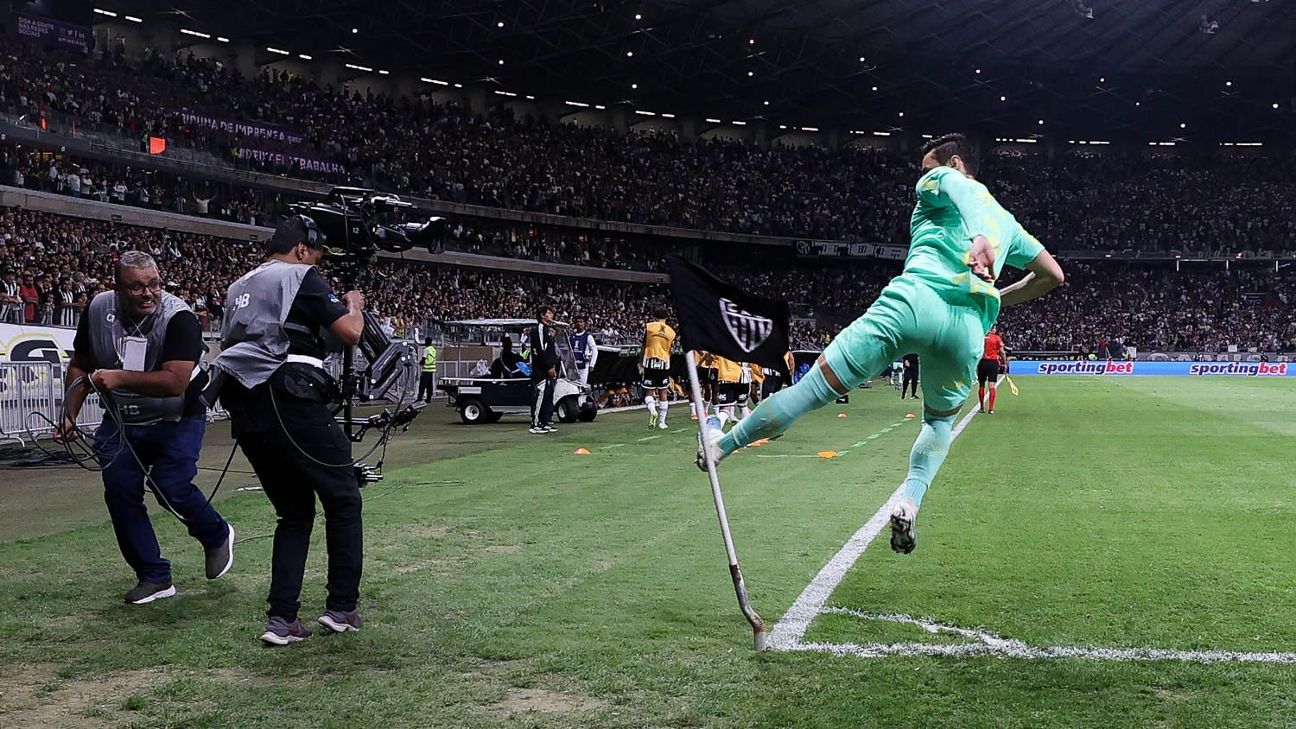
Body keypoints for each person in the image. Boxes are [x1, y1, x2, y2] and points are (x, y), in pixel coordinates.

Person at [697, 133, 1065, 555]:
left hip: (914, 302)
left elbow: (960, 187)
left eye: (929, 168)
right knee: (938, 423)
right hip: (966, 328)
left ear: (955, 163)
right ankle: (909, 501)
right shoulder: (1008, 223)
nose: (923, 177)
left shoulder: (942, 181)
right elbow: (1052, 275)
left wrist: (977, 235)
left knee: (811, 390)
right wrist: (997, 295)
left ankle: (721, 446)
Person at [212, 215, 367, 645]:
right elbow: (350, 332)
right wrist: (353, 303)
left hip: (245, 403)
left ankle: (282, 620)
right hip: (289, 395)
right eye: (316, 254)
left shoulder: (239, 286)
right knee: (343, 497)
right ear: (302, 249)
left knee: (295, 512)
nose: (317, 262)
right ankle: (342, 607)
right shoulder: (298, 275)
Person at [54, 251, 234, 605]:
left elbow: (175, 382)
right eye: (136, 287)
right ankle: (153, 576)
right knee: (120, 491)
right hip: (121, 418)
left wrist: (119, 377)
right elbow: (80, 364)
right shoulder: (97, 309)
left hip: (178, 415)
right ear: (117, 289)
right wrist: (69, 414)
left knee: (170, 486)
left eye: (154, 284)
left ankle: (216, 535)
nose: (148, 293)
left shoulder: (179, 317)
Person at [526, 305, 560, 434]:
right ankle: (535, 424)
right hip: (541, 370)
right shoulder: (540, 329)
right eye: (549, 313)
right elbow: (540, 350)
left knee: (547, 396)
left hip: (549, 368)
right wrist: (548, 367)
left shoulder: (547, 330)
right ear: (542, 315)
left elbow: (550, 349)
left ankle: (545, 421)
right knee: (540, 396)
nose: (551, 315)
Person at [640, 307, 676, 429]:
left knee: (649, 392)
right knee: (663, 392)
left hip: (649, 361)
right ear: (667, 317)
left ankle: (652, 411)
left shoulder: (649, 327)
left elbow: (644, 345)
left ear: (654, 316)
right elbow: (670, 350)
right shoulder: (671, 332)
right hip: (664, 362)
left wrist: (640, 362)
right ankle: (662, 422)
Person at [978, 326, 1006, 414]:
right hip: (992, 363)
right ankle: (991, 409)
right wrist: (1005, 363)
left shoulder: (981, 337)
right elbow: (1002, 352)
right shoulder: (997, 338)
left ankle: (982, 407)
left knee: (981, 385)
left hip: (982, 362)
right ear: (993, 329)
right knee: (992, 385)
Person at [569, 315, 598, 385]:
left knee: (581, 386)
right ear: (575, 324)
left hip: (583, 366)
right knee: (571, 386)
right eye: (577, 322)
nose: (579, 323)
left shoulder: (588, 336)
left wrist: (592, 364)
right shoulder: (571, 336)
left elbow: (594, 350)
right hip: (573, 367)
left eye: (581, 322)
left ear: (584, 324)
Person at [418, 337, 438, 402]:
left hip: (426, 369)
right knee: (429, 385)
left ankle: (419, 398)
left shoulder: (426, 349)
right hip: (432, 369)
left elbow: (423, 359)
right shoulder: (433, 349)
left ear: (426, 342)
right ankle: (428, 398)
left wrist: (419, 363)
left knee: (422, 385)